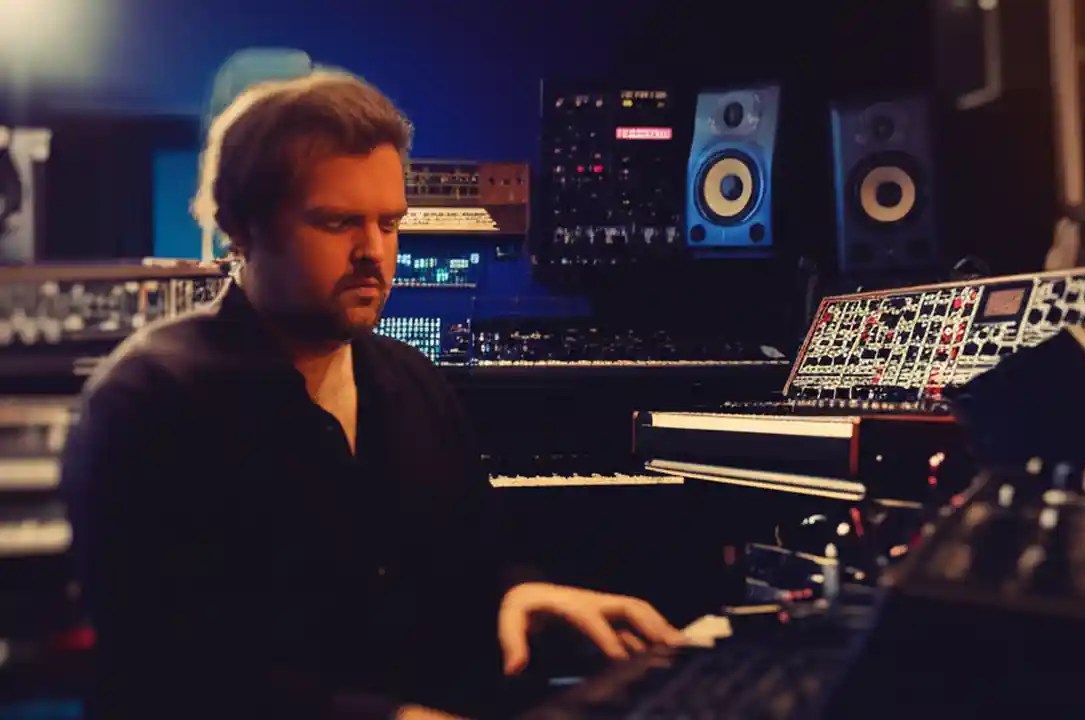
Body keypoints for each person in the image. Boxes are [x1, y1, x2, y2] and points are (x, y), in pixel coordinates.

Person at [60, 71, 681, 720]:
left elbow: (473, 560)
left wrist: (520, 593)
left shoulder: (413, 381)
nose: (374, 253)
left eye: (390, 223)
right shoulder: (147, 402)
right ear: (241, 228)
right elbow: (165, 670)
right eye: (338, 223)